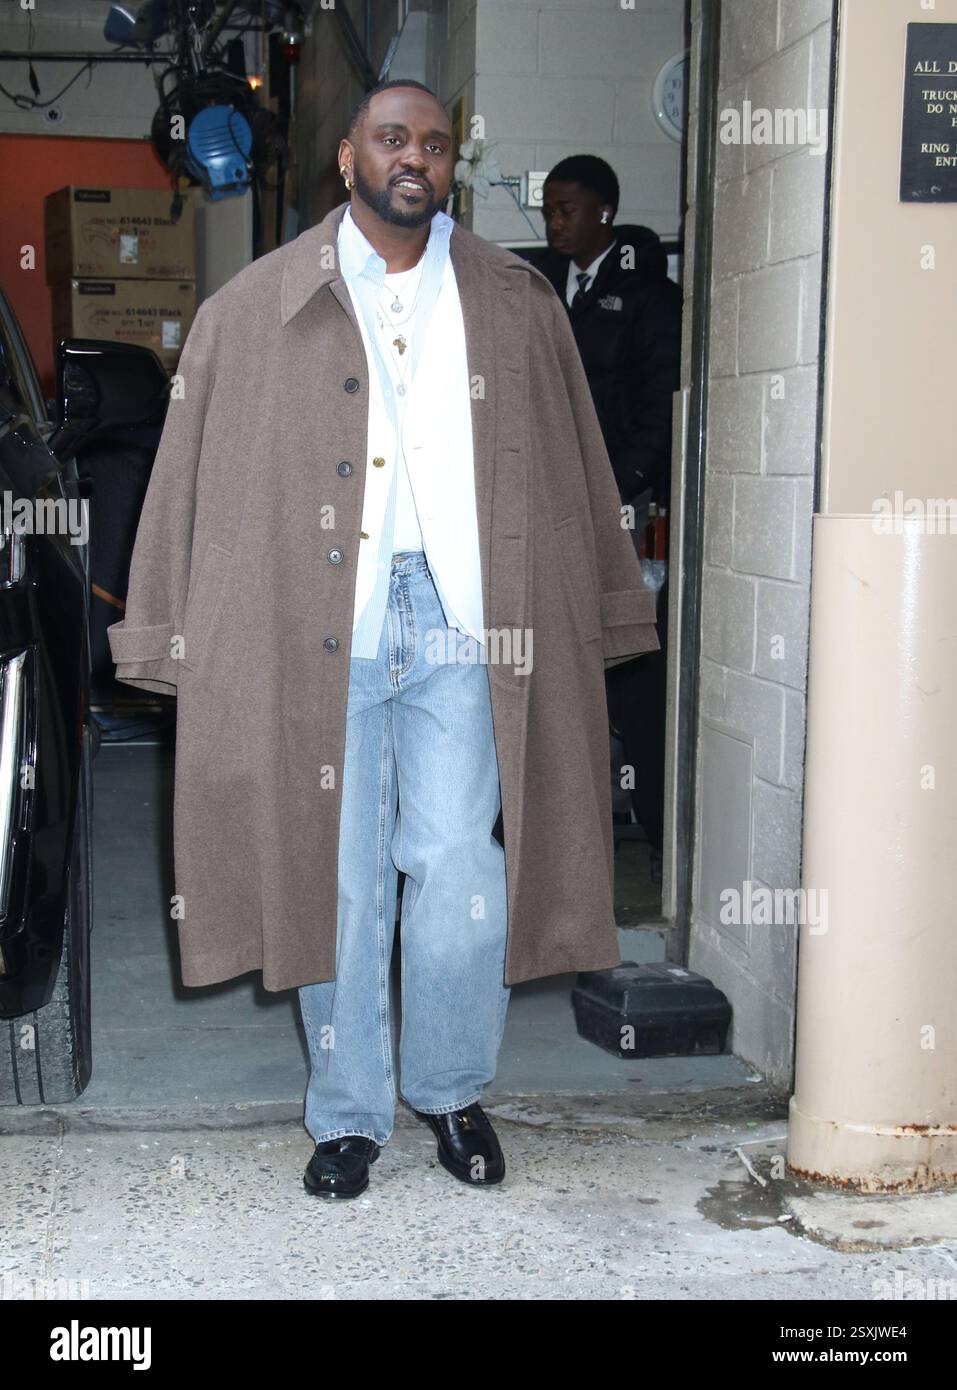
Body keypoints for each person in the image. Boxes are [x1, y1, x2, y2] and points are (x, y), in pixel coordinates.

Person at [107, 86, 659, 1201]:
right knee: (341, 880)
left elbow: (577, 464)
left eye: (437, 144)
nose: (416, 158)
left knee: (457, 867)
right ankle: (349, 1112)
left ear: (453, 165)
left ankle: (452, 1088)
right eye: (394, 139)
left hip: (462, 617)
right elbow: (185, 482)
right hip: (322, 626)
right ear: (349, 156)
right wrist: (163, 626)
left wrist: (607, 597)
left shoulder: (515, 300)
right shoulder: (256, 305)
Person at [536, 155, 681, 882]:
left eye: (566, 210)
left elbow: (659, 411)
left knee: (618, 666)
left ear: (604, 213)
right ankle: (543, 836)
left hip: (614, 508)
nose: (553, 222)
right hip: (544, 502)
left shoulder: (649, 297)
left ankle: (646, 835)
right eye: (548, 210)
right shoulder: (545, 286)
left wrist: (617, 484)